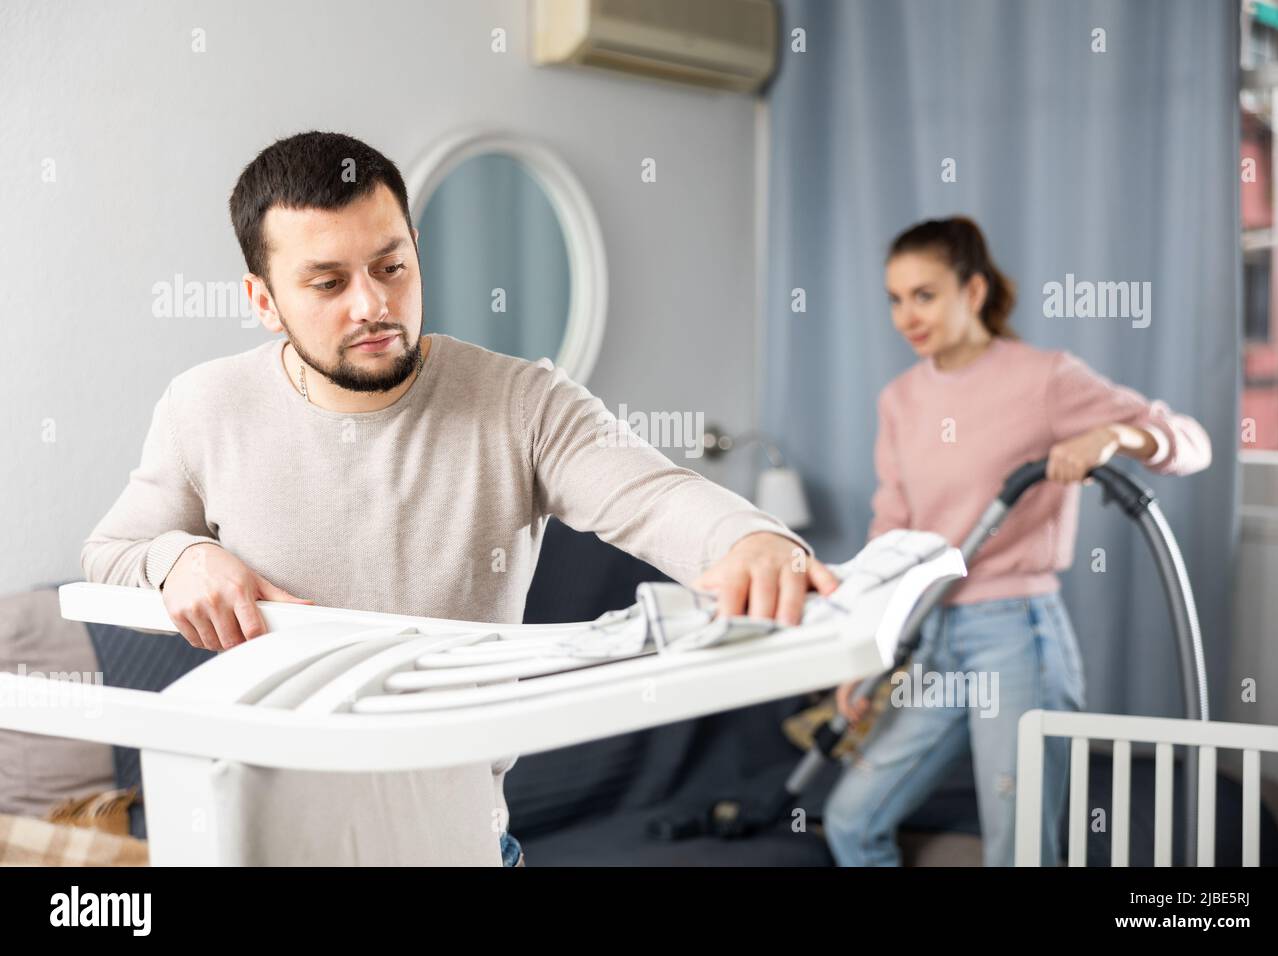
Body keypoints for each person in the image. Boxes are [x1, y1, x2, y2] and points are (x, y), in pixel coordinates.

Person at [81, 131, 840, 867]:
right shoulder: (204, 406)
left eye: (391, 266)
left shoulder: (523, 402)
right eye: (328, 283)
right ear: (263, 299)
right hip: (259, 848)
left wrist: (751, 540)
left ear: (417, 250)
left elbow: (659, 496)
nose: (371, 305)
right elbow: (110, 554)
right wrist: (181, 557)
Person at [823, 215, 1212, 867]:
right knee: (849, 821)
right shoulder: (900, 399)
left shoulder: (1045, 379)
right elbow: (890, 528)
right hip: (929, 633)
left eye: (925, 295)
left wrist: (1115, 437)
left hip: (1015, 637)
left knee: (1020, 850)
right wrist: (865, 650)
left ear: (972, 292)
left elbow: (1191, 443)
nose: (906, 316)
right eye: (895, 299)